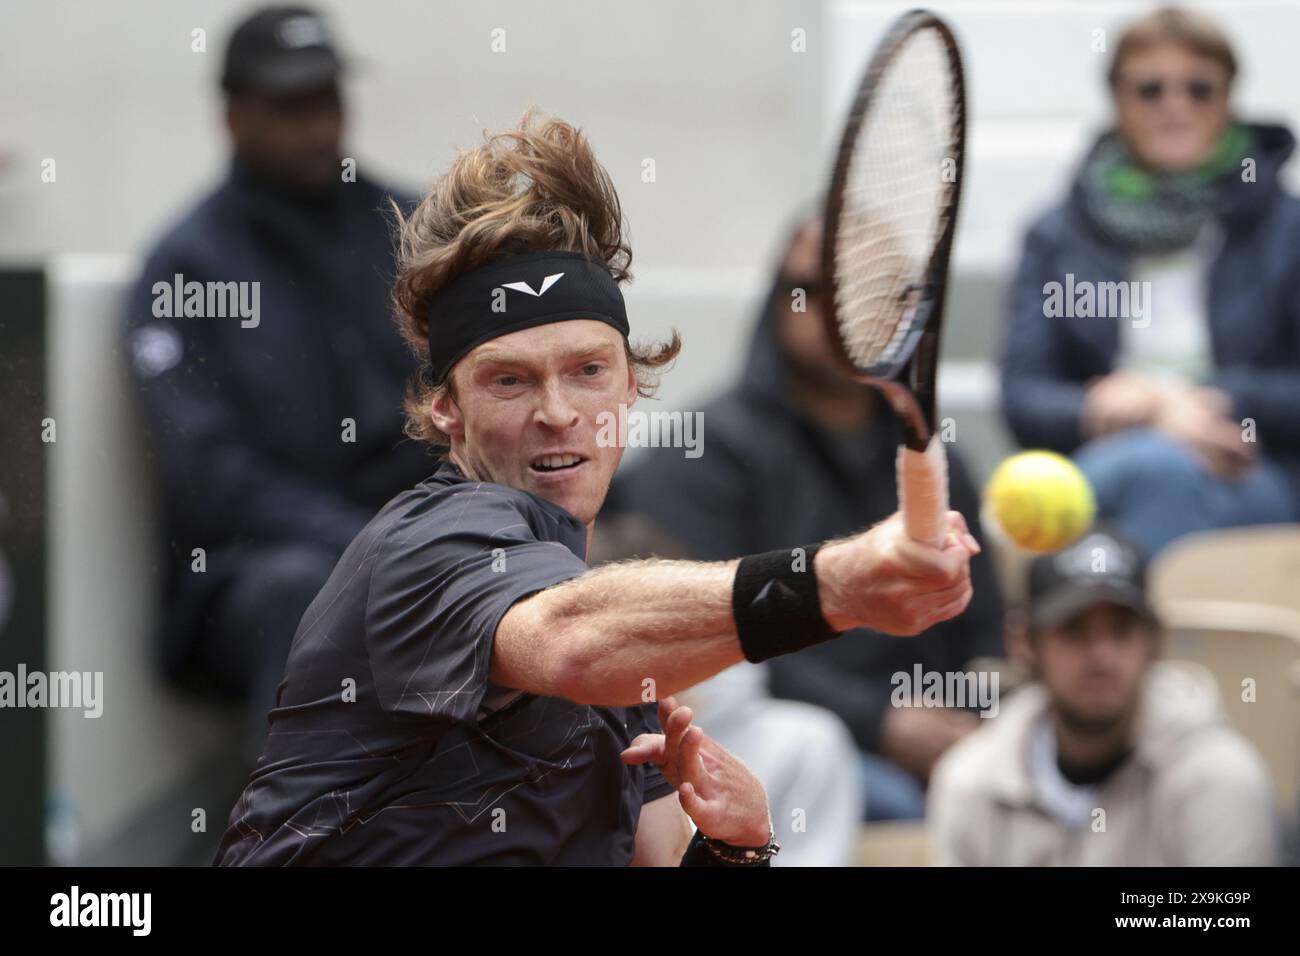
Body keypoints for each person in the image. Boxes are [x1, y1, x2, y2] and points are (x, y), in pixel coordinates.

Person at [214, 110, 980, 866]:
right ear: (447, 409)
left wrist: (737, 849)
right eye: (509, 380)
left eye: (587, 371)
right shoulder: (429, 546)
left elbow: (657, 844)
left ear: (630, 388)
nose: (557, 413)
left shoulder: (620, 663)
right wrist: (839, 582)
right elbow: (569, 640)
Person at [613, 211, 1003, 821]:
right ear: (779, 297)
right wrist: (883, 723)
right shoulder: (701, 455)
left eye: (868, 290)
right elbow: (708, 645)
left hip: (944, 748)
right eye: (814, 288)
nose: (840, 309)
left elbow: (983, 630)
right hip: (759, 739)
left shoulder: (932, 464)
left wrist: (979, 720)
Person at [122, 6, 432, 756]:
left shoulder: (416, 227)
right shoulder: (185, 266)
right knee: (307, 588)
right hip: (255, 568)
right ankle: (303, 837)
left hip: (422, 528)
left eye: (326, 99)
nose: (317, 126)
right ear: (233, 116)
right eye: (289, 106)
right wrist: (365, 543)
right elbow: (211, 479)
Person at [1000, 6, 1299, 558]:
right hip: (1099, 463)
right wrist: (1128, 411)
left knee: (1156, 477)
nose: (1175, 106)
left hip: (1255, 469)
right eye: (1151, 89)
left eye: (1199, 89)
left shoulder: (1287, 228)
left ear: (1229, 99)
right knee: (1141, 474)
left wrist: (1213, 402)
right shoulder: (1057, 234)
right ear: (1117, 99)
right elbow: (1023, 398)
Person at [928, 527, 1278, 866]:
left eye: (1121, 630)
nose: (1103, 656)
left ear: (1153, 640)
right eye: (1074, 630)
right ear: (1025, 644)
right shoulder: (970, 781)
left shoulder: (1219, 777)